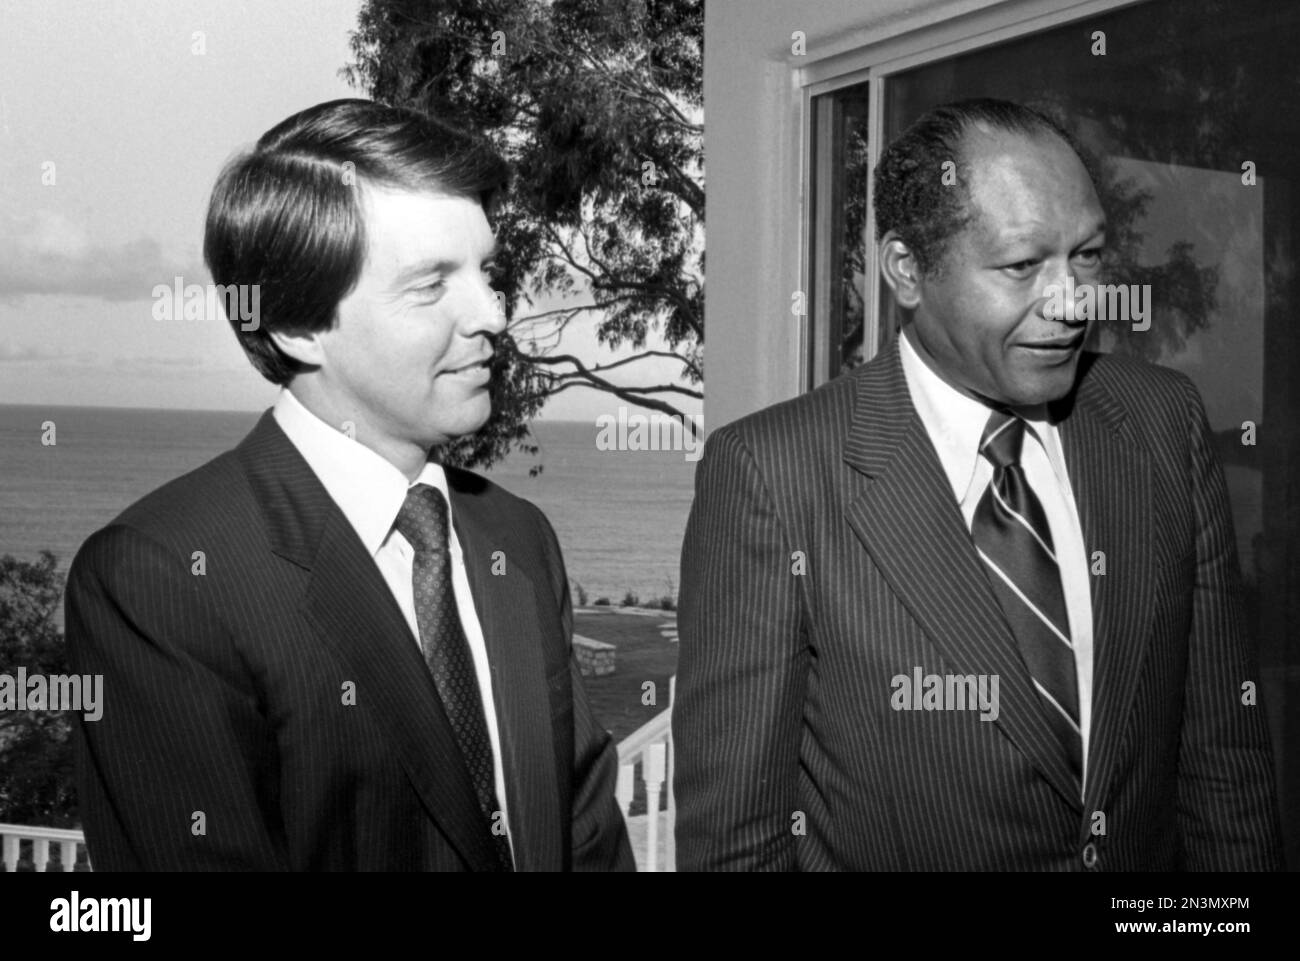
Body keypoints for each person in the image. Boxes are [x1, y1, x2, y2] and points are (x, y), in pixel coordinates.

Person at [673, 98, 1282, 871]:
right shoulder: (772, 477)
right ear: (907, 270)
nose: (1072, 304)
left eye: (1088, 257)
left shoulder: (1163, 423)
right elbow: (738, 844)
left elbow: (1224, 760)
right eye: (1024, 265)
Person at [65, 98, 634, 872]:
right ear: (299, 324)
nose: (495, 315)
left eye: (488, 272)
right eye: (432, 285)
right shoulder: (162, 580)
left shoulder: (518, 538)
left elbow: (586, 835)